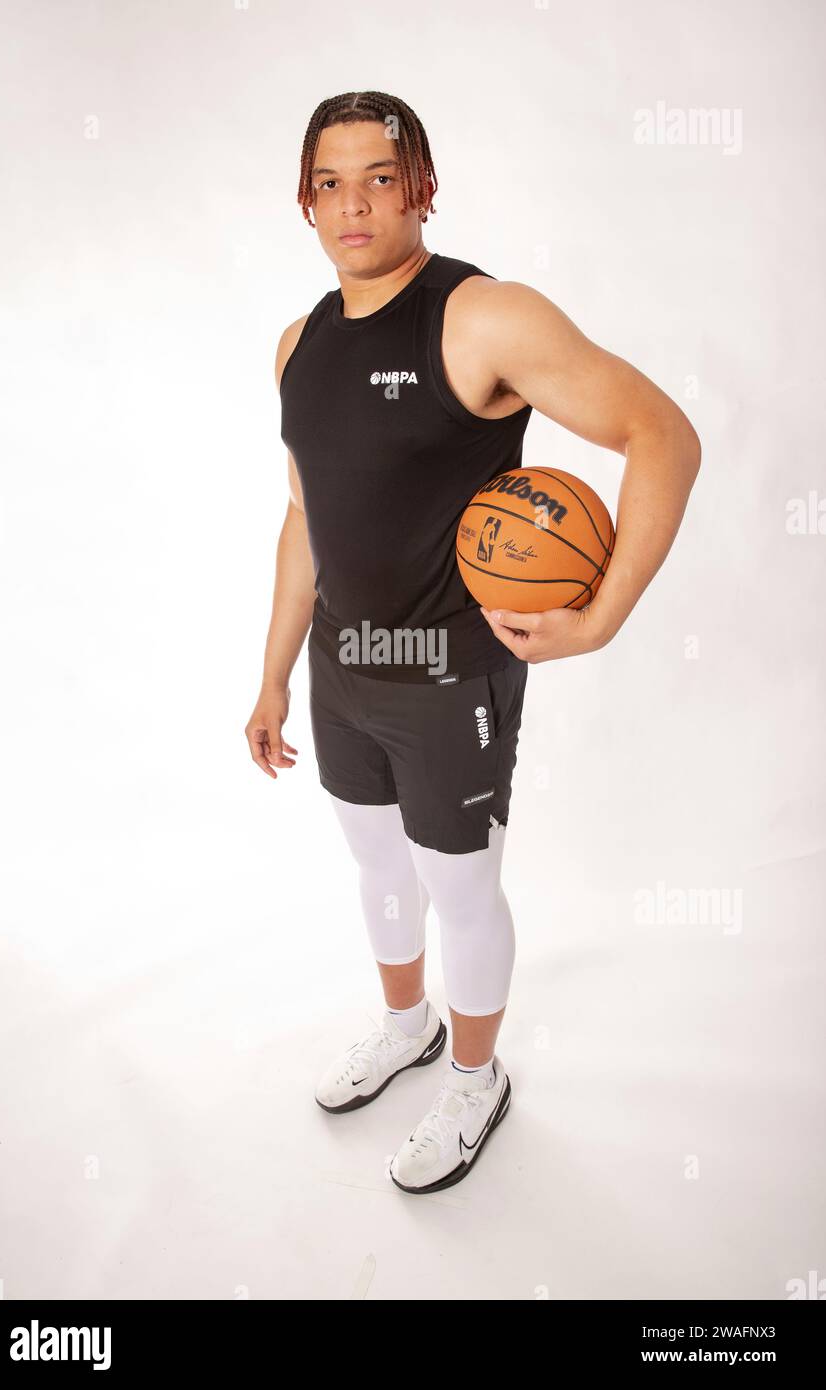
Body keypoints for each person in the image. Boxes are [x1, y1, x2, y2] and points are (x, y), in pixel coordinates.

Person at [245, 91, 701, 1196]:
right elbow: (307, 516)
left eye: (379, 178)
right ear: (302, 199)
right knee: (374, 864)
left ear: (423, 189)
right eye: (329, 181)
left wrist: (601, 617)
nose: (353, 203)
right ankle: (407, 1021)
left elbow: (662, 435)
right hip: (341, 669)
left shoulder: (483, 316)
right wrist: (269, 677)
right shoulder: (296, 343)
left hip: (452, 674)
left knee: (459, 887)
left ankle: (476, 1073)